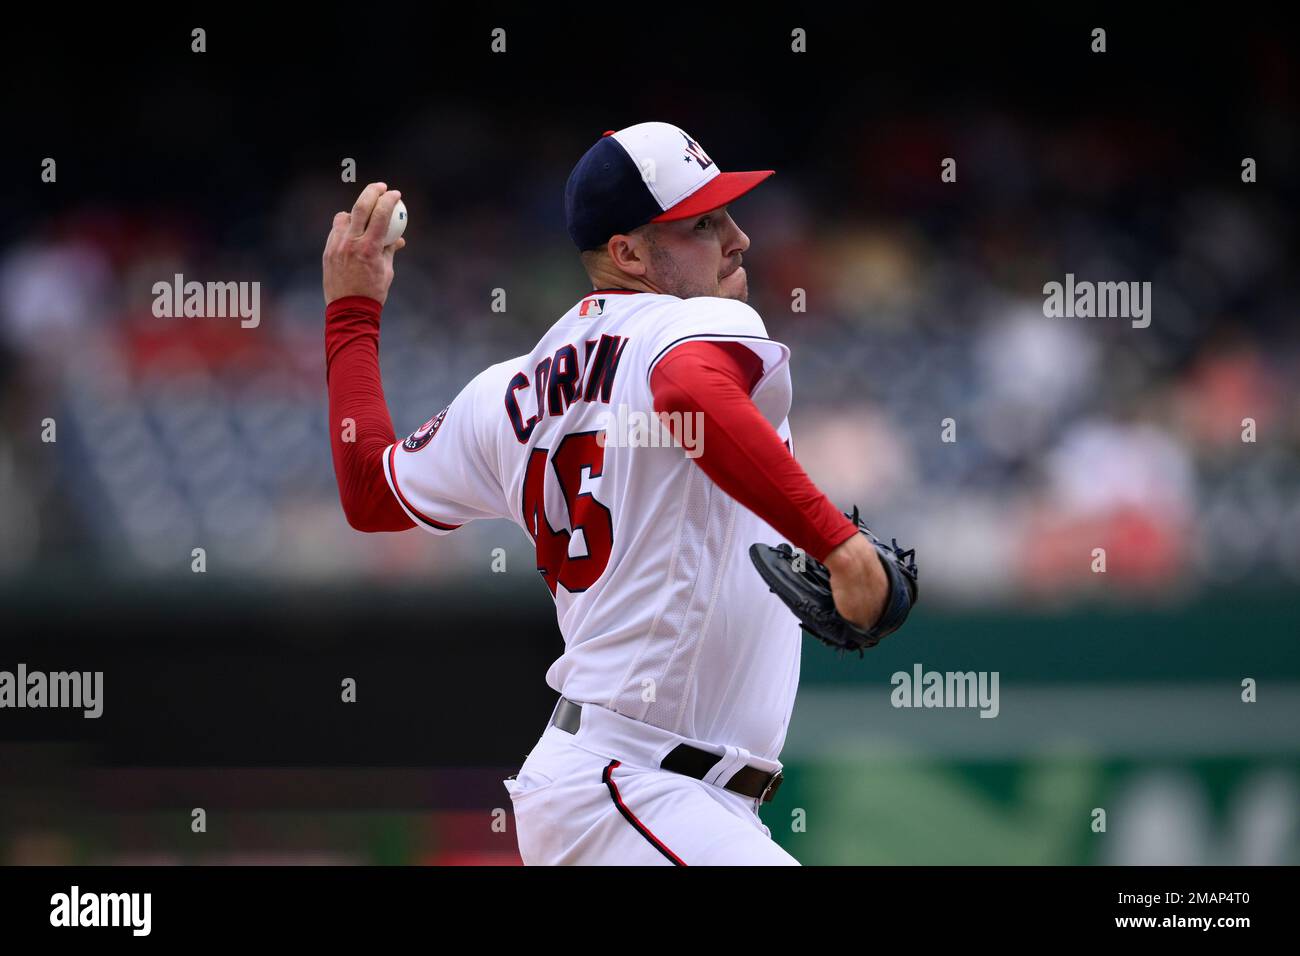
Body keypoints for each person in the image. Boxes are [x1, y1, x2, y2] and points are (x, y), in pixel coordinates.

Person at [322, 121, 888, 865]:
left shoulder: (509, 390)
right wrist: (839, 545)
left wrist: (353, 312)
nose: (739, 237)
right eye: (703, 224)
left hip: (631, 791)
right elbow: (688, 389)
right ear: (627, 253)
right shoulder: (690, 326)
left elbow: (371, 490)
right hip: (640, 786)